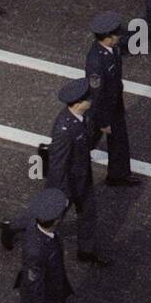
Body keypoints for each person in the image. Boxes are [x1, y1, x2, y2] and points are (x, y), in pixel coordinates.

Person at [45, 77, 110, 264]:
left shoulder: (82, 116)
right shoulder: (64, 129)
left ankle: (86, 250)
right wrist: (56, 193)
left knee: (88, 213)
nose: (92, 100)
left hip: (82, 175)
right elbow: (58, 164)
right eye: (89, 98)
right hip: (66, 183)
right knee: (50, 216)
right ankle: (14, 227)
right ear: (79, 103)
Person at [85, 11, 140, 188]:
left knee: (119, 140)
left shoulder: (111, 49)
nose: (119, 37)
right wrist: (102, 121)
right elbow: (96, 94)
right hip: (102, 109)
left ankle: (118, 175)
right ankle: (55, 157)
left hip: (114, 103)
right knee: (85, 139)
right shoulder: (96, 62)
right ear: (108, 38)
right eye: (117, 35)